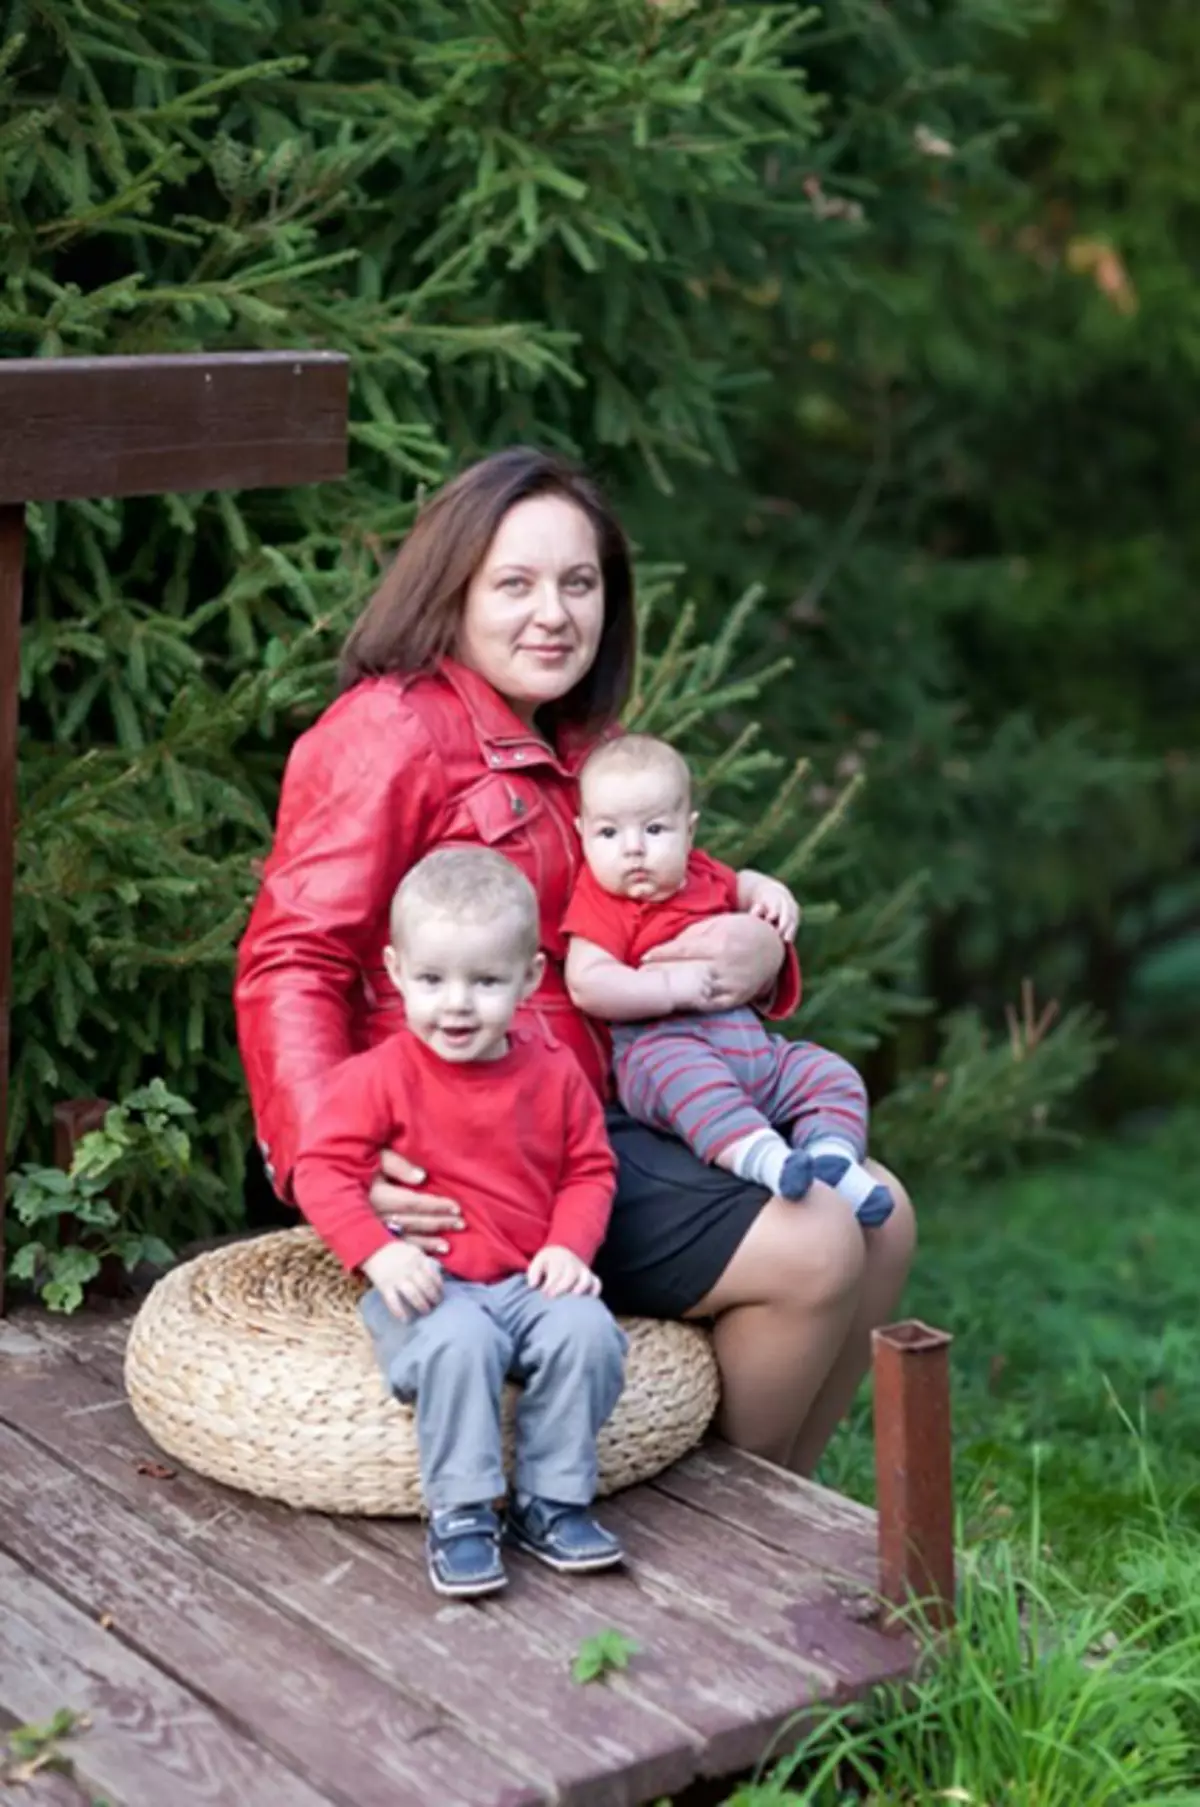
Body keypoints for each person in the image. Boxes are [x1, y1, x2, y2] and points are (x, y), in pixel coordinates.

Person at [236, 445, 916, 1476]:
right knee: (815, 1242)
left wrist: (755, 951)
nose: (553, 612)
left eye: (580, 582)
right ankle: (729, 1531)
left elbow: (635, 920)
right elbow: (291, 958)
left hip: (605, 1105)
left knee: (887, 1217)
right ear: (450, 591)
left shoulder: (581, 743)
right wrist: (331, 1155)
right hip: (478, 1136)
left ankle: (779, 1494)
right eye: (514, 583)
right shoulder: (387, 732)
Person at [292, 847, 626, 1599]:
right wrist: (377, 1254)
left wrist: (569, 1248)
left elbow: (589, 1168)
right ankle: (465, 1510)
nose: (457, 1005)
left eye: (485, 981)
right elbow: (320, 1169)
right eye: (433, 979)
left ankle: (551, 1499)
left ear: (531, 979)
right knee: (460, 1339)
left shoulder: (552, 1074)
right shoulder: (381, 1076)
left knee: (588, 1330)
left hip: (523, 1278)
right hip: (427, 1285)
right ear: (395, 971)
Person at [563, 733, 893, 1225]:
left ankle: (833, 1156)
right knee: (688, 1081)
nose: (633, 850)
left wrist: (770, 891)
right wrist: (668, 988)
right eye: (609, 834)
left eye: (654, 830)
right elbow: (586, 981)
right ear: (582, 832)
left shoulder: (701, 873)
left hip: (755, 1055)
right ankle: (765, 1159)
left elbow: (742, 884)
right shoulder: (602, 902)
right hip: (663, 1047)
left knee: (830, 1074)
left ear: (688, 832)